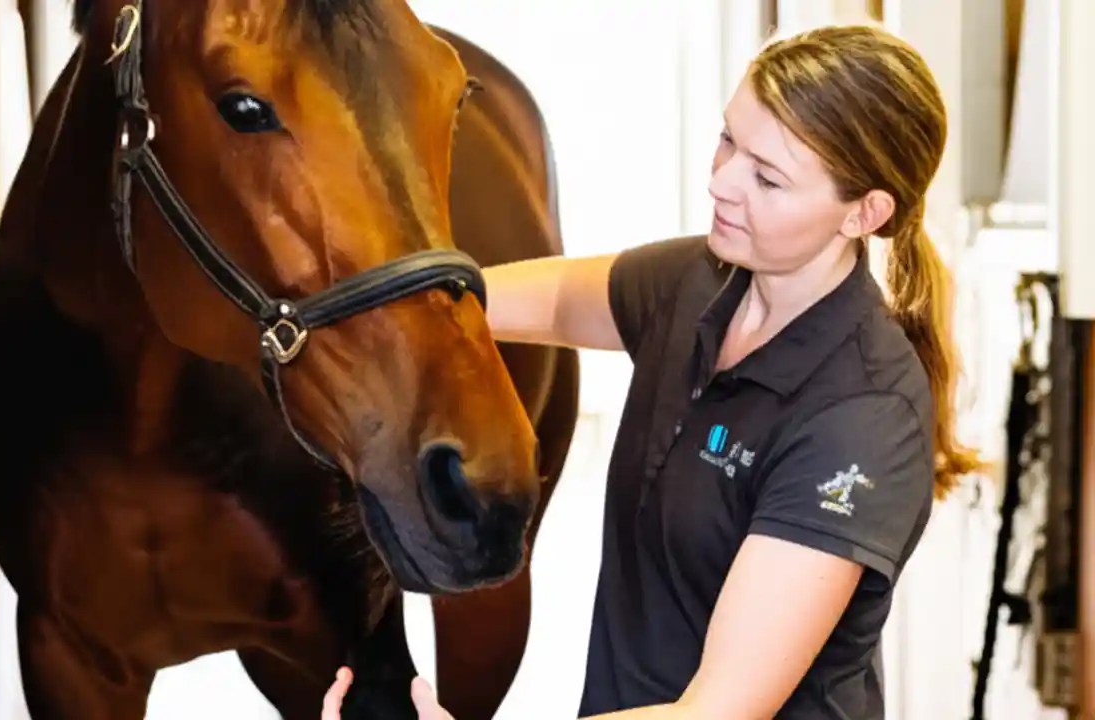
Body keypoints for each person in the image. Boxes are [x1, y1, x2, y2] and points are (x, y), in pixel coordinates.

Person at [322, 23, 982, 719]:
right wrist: (358, 309)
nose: (722, 182)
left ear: (865, 213)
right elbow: (544, 301)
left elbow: (717, 711)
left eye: (767, 177)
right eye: (729, 140)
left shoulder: (862, 415)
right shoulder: (696, 283)